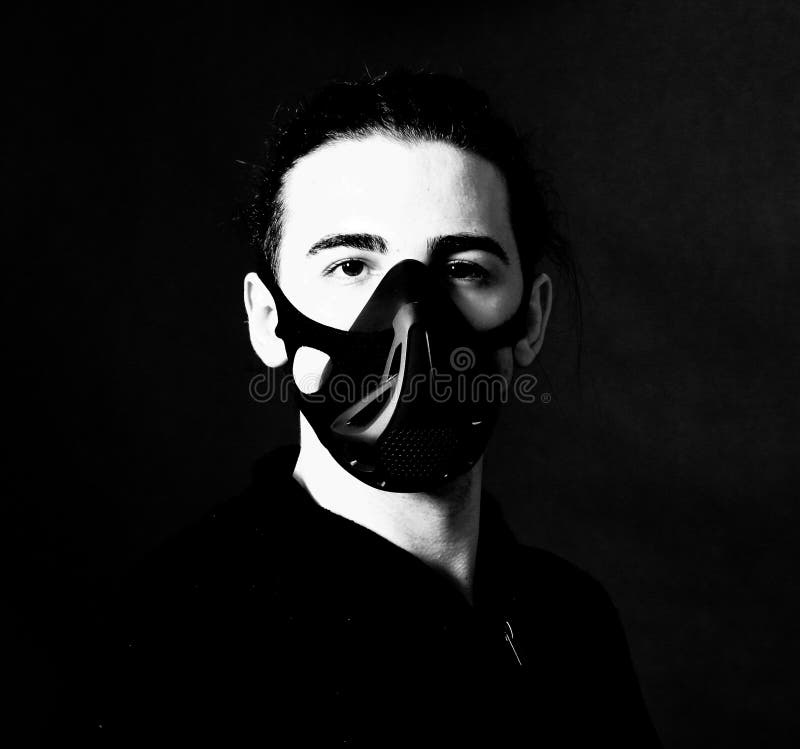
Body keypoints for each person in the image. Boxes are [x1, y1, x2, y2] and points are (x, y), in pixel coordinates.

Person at [52, 70, 662, 747]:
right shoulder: (174, 639)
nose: (413, 321)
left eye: (464, 269)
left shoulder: (569, 622)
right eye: (350, 267)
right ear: (266, 320)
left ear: (531, 320)